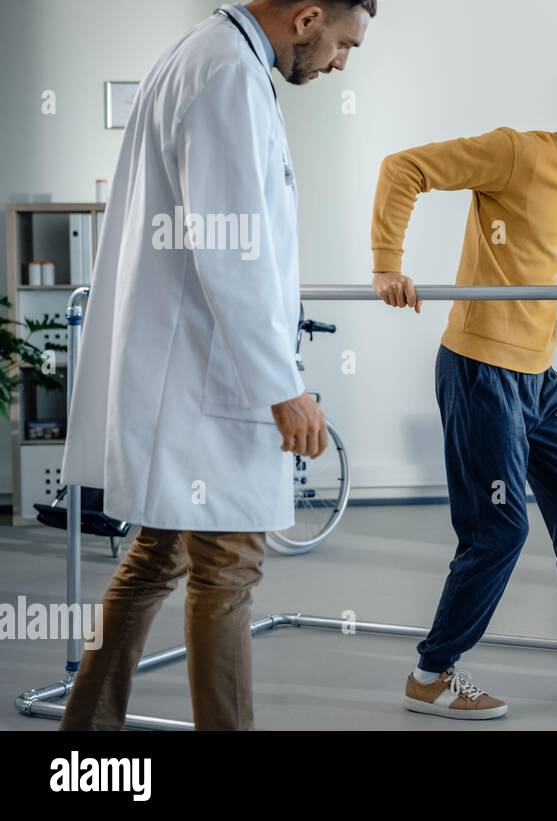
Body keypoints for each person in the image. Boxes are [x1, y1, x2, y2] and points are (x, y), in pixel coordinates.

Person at [59, 0, 375, 731]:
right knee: (227, 571)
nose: (340, 62)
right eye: (343, 43)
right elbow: (231, 252)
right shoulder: (228, 71)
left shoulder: (202, 54)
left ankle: (86, 739)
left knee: (154, 562)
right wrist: (282, 386)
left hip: (189, 372)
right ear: (306, 17)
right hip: (213, 377)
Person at [370, 57, 557, 720]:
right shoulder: (515, 152)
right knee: (501, 527)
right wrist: (388, 264)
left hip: (539, 376)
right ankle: (431, 671)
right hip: (481, 369)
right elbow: (403, 168)